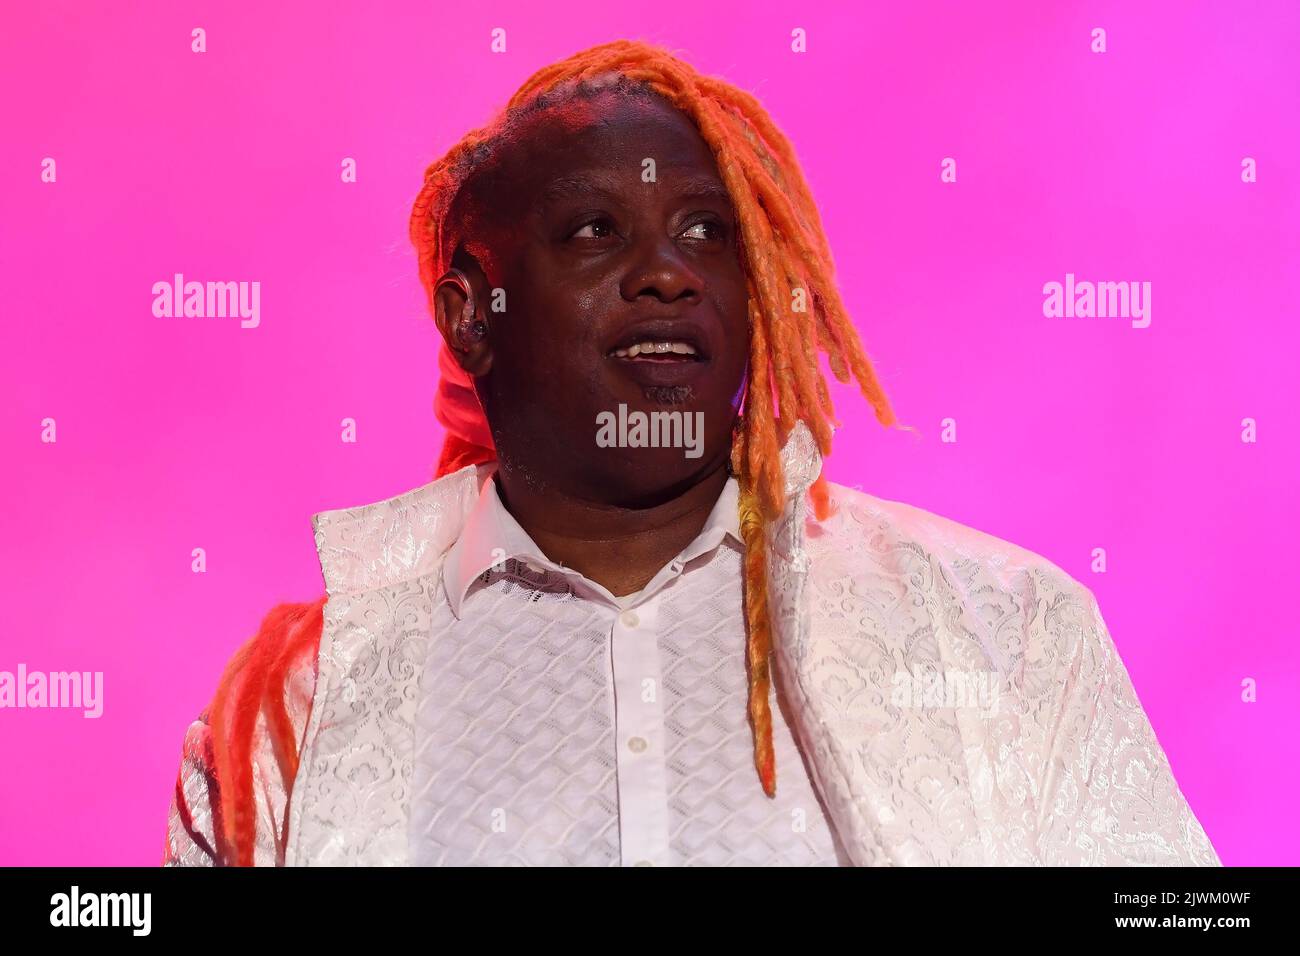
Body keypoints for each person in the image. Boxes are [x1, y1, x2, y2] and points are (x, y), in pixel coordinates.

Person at [164, 39, 1219, 867]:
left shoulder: (1001, 629)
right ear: (470, 317)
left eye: (709, 234)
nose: (668, 274)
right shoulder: (294, 695)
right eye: (593, 232)